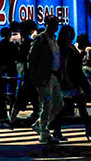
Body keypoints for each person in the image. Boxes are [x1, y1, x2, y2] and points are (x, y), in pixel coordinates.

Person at [49, 25, 91, 140]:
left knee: (75, 108)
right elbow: (68, 67)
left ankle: (86, 130)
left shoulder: (64, 47)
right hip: (69, 81)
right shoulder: (65, 48)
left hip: (69, 81)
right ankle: (87, 130)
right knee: (71, 108)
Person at [26, 16, 64, 144]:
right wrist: (36, 76)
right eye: (52, 24)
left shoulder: (54, 39)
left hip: (54, 75)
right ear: (46, 24)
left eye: (56, 23)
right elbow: (31, 59)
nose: (55, 26)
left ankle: (40, 125)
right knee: (46, 105)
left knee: (58, 104)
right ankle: (43, 132)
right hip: (44, 77)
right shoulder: (41, 39)